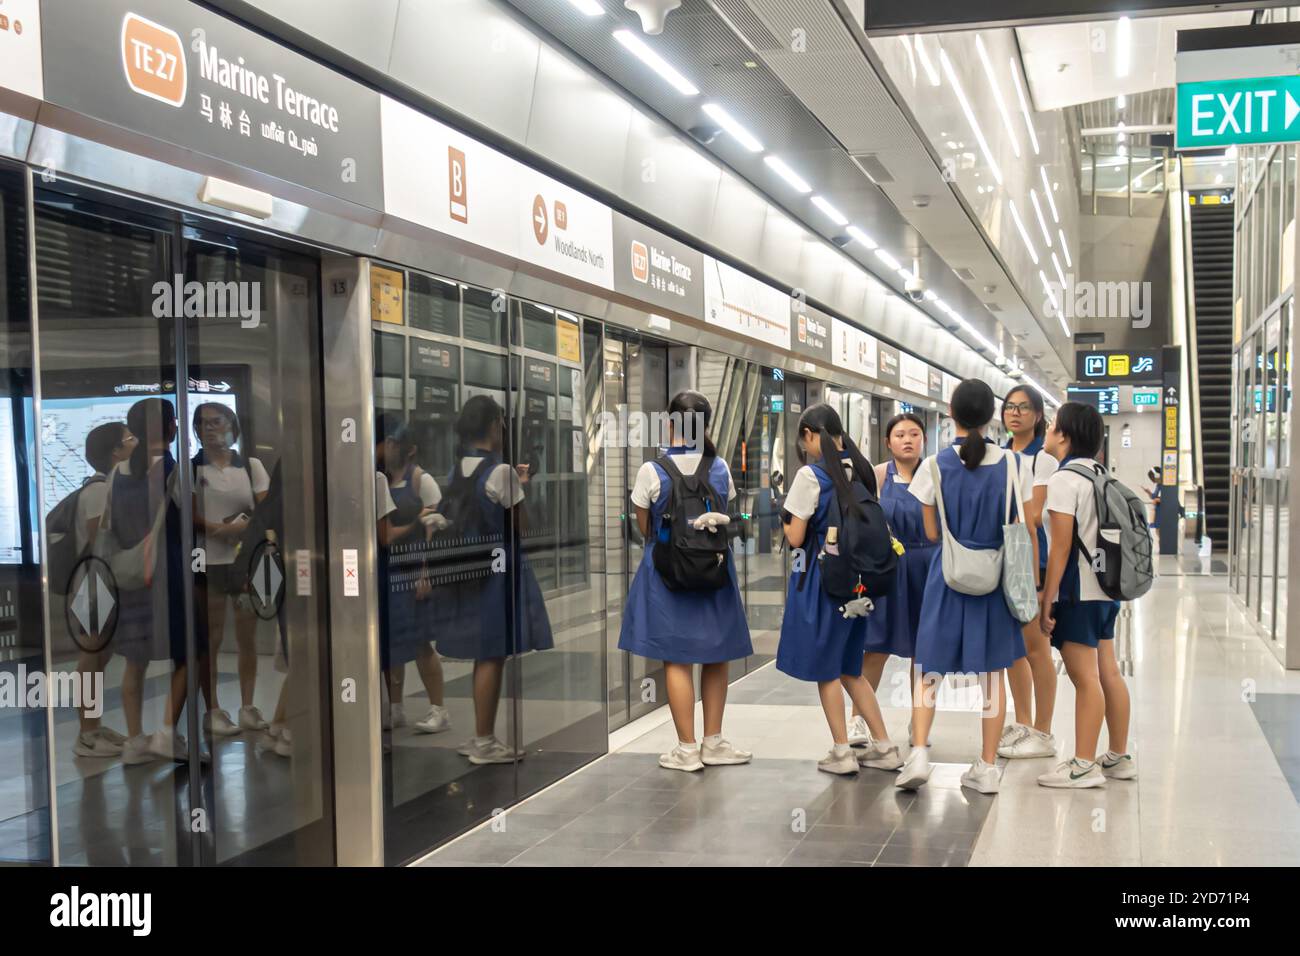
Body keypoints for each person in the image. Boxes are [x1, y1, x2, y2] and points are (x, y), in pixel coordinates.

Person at [900, 379, 1032, 794]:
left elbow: (930, 530)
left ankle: (919, 751)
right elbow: (1020, 523)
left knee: (928, 669)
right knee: (992, 676)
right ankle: (987, 767)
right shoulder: (1014, 464)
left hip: (947, 576)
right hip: (993, 581)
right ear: (992, 415)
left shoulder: (934, 465)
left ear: (951, 414)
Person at [618, 390, 753, 772]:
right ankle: (714, 742)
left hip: (666, 573)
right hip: (713, 570)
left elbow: (645, 528)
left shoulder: (652, 470)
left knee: (676, 659)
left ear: (671, 424)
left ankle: (686, 748)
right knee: (716, 655)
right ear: (705, 425)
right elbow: (725, 512)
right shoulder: (720, 468)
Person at [775, 403, 901, 776]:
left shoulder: (810, 477)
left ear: (811, 436)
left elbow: (796, 537)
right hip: (858, 583)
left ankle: (842, 751)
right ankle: (884, 746)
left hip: (822, 582)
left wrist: (785, 521)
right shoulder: (861, 471)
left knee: (827, 670)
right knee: (851, 668)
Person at [435, 396, 553, 765]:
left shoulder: (459, 469)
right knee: (492, 654)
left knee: (485, 653)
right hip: (498, 570)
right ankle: (485, 740)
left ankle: (479, 735)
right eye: (500, 422)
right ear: (490, 426)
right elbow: (522, 525)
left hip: (469, 569)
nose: (504, 428)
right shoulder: (499, 471)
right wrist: (522, 486)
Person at [1036, 402, 1137, 788]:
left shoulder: (1064, 480)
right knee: (1108, 671)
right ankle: (1118, 756)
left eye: (1051, 426)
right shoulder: (1099, 473)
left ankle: (1082, 764)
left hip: (1078, 591)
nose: (1047, 431)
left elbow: (1060, 548)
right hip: (1107, 589)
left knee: (1084, 678)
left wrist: (1048, 601)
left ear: (1064, 435)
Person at [112, 399, 211, 765]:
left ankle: (134, 739)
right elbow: (192, 521)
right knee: (189, 652)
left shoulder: (119, 471)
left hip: (130, 576)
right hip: (168, 573)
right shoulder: (175, 470)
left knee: (134, 661)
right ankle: (167, 733)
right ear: (171, 428)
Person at [850, 412, 935, 745]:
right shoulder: (877, 476)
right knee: (874, 648)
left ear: (923, 440)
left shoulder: (935, 474)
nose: (908, 440)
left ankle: (920, 724)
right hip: (886, 570)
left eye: (914, 434)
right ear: (888, 442)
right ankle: (858, 720)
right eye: (900, 435)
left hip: (927, 569)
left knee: (925, 653)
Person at [189, 403, 270, 738]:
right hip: (207, 563)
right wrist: (216, 529)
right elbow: (189, 514)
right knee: (212, 637)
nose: (209, 429)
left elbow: (265, 507)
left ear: (231, 426)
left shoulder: (250, 465)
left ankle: (248, 705)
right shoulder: (192, 469)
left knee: (246, 636)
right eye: (202, 424)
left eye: (216, 422)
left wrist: (243, 526)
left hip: (243, 563)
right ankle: (213, 709)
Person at [375, 413, 450, 735]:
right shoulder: (378, 480)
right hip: (386, 570)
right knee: (392, 642)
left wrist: (426, 571)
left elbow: (435, 528)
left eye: (393, 442)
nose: (387, 447)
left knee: (420, 642)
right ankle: (395, 707)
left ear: (406, 447)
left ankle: (438, 708)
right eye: (385, 441)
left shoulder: (421, 480)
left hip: (413, 569)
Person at [997, 385, 1060, 760]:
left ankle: (1044, 729)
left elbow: (1033, 519)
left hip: (1030, 558)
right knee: (1012, 650)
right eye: (1009, 407)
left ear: (1038, 416)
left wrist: (1038, 582)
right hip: (1004, 556)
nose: (1015, 413)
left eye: (1023, 408)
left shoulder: (1043, 461)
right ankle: (1022, 724)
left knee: (1037, 648)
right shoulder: (1001, 456)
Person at [69, 422, 136, 757]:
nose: (135, 443)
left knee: (101, 655)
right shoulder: (99, 489)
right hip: (94, 583)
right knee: (91, 655)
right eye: (129, 439)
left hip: (107, 581)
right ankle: (86, 733)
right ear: (115, 451)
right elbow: (100, 537)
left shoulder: (113, 484)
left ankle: (94, 725)